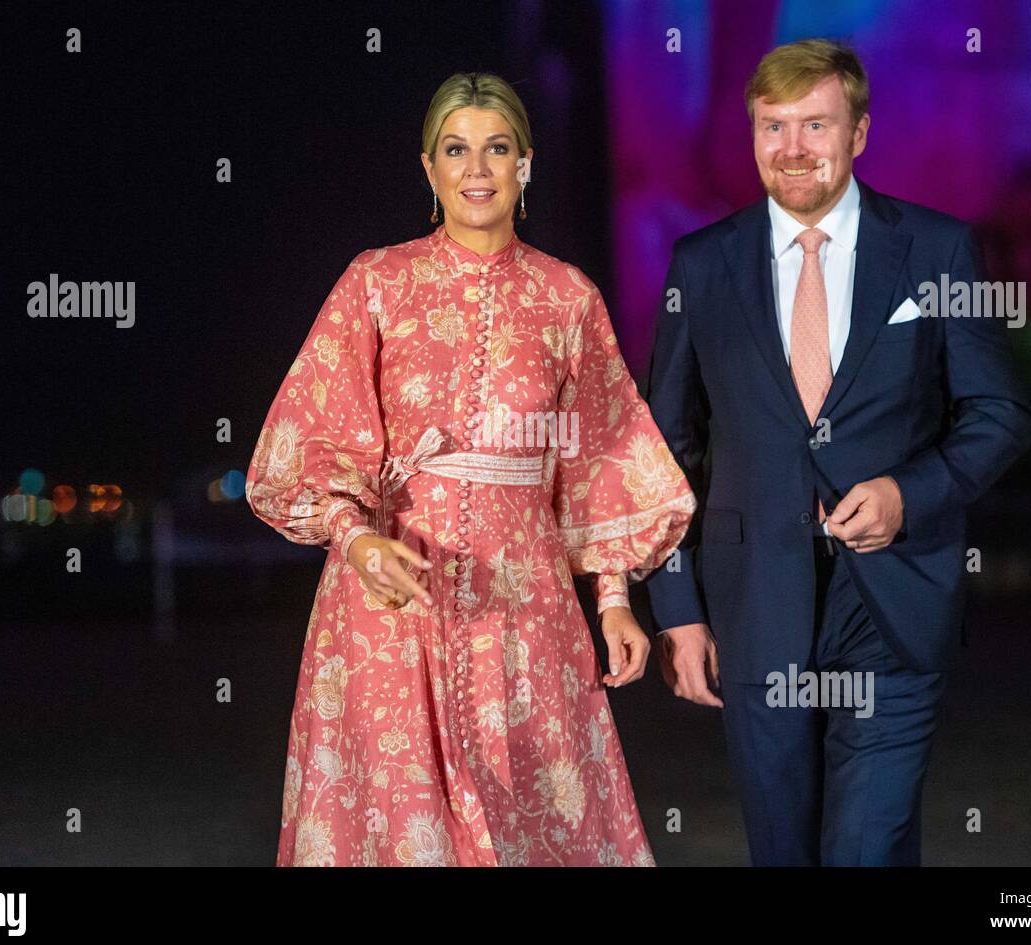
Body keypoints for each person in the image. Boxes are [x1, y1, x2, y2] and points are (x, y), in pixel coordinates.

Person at [245, 72, 696, 866]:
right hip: (388, 606)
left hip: (524, 616)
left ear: (526, 165)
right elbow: (308, 442)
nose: (477, 168)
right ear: (429, 168)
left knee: (528, 825)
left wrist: (618, 600)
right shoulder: (376, 283)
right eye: (457, 149)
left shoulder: (568, 298)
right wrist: (356, 542)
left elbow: (597, 457)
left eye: (497, 149)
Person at [644, 39, 1031, 865]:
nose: (791, 149)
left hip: (892, 602)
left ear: (858, 132)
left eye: (815, 125)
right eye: (772, 126)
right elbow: (667, 454)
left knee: (866, 845)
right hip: (756, 608)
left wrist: (909, 491)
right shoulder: (701, 265)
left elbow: (998, 413)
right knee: (784, 850)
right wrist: (678, 610)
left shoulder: (936, 250)